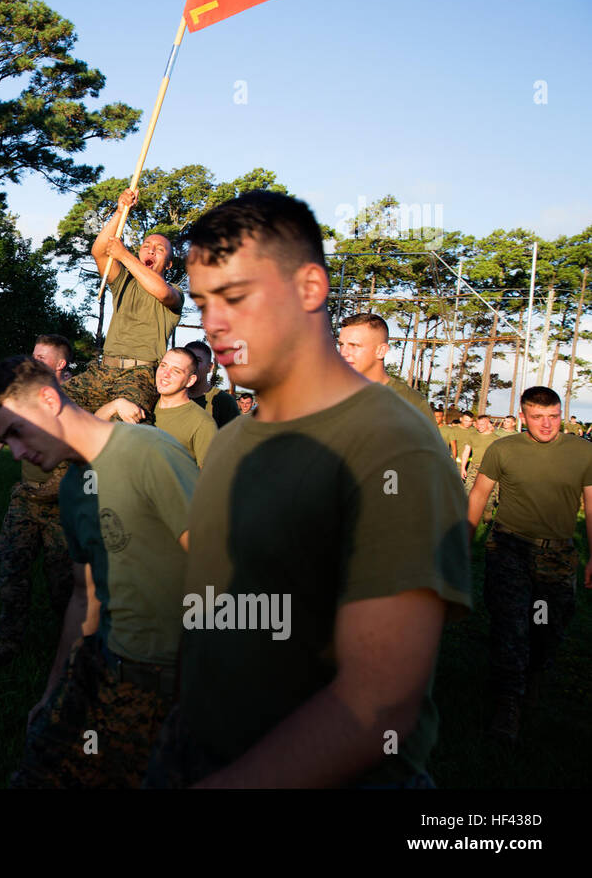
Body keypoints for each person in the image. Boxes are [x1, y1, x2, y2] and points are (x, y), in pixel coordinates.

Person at [148, 190, 471, 788]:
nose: (213, 324)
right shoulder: (233, 438)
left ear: (310, 289)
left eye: (236, 297)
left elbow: (378, 703)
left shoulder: (393, 447)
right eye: (202, 302)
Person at [0, 356, 197, 788]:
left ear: (48, 399)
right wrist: (52, 691)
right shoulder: (75, 486)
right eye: (6, 442)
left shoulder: (149, 452)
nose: (18, 452)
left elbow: (220, 566)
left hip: (167, 679)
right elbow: (85, 595)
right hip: (101, 664)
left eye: (17, 432)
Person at [466, 386, 592, 743]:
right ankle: (508, 703)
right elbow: (479, 493)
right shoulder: (504, 449)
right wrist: (464, 542)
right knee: (510, 624)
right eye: (537, 417)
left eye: (553, 416)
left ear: (561, 414)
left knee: (547, 626)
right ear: (522, 417)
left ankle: (531, 678)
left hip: (557, 556)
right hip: (510, 548)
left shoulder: (582, 452)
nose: (547, 424)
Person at [0, 335, 75, 666]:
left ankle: (70, 648)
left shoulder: (76, 396)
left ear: (60, 364)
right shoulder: (27, 394)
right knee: (12, 569)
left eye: (41, 357)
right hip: (26, 498)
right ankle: (9, 642)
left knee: (62, 583)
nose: (33, 360)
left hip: (63, 505)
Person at [62, 188, 184, 421]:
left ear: (168, 264)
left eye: (160, 250)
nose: (151, 250)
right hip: (104, 368)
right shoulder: (124, 281)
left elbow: (161, 292)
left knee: (123, 424)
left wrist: (124, 255)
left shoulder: (175, 293)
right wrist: (120, 211)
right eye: (147, 245)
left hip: (140, 373)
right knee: (55, 405)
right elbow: (99, 252)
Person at [96, 347, 215, 467]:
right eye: (163, 366)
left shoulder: (202, 423)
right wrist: (115, 405)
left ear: (190, 380)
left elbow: (210, 478)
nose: (165, 374)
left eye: (176, 371)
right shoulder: (143, 402)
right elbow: (94, 429)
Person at [336, 312, 436, 425]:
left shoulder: (411, 403)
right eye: (341, 345)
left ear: (381, 351)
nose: (343, 353)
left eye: (354, 345)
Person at [183, 341, 240, 427]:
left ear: (210, 367)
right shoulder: (170, 398)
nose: (192, 365)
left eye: (198, 361)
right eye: (188, 360)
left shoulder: (223, 402)